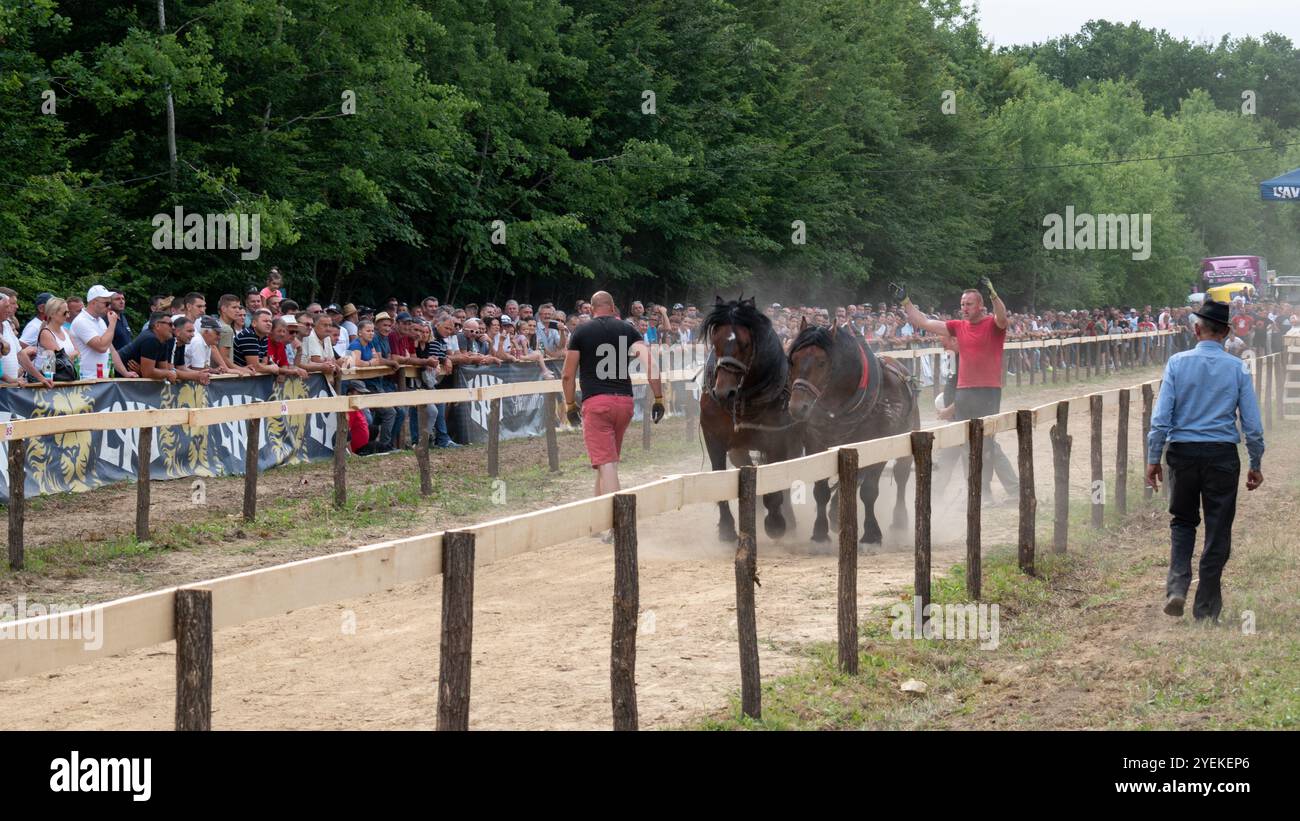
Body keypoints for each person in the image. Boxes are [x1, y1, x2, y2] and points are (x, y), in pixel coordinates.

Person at [1146, 300, 1264, 623]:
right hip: (1221, 455)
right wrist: (1255, 462)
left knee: (1183, 522)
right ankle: (1206, 607)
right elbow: (1251, 424)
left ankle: (1177, 586)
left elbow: (1161, 419)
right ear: (1227, 333)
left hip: (1182, 453)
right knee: (1217, 527)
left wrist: (1154, 457)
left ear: (1196, 329)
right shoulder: (1238, 368)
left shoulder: (1176, 363)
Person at [900, 277, 1017, 499]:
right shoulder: (957, 326)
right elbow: (923, 322)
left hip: (988, 391)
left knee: (987, 444)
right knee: (966, 446)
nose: (964, 308)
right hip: (964, 392)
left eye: (969, 304)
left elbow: (1002, 317)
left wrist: (994, 295)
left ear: (980, 306)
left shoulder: (993, 324)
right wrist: (906, 301)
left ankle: (988, 493)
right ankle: (979, 493)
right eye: (962, 304)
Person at [563, 290, 664, 500]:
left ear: (591, 309)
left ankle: (615, 523)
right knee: (607, 461)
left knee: (606, 463)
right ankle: (598, 520)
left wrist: (570, 405)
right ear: (612, 307)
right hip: (624, 403)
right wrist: (659, 398)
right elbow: (651, 364)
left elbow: (567, 375)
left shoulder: (580, 332)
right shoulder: (629, 329)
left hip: (597, 403)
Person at [70, 285, 131, 379]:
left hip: (101, 378)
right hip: (86, 379)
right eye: (106, 303)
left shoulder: (100, 321)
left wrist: (125, 373)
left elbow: (112, 350)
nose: (109, 306)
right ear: (94, 302)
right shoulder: (81, 321)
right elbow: (101, 347)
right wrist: (112, 324)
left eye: (110, 303)